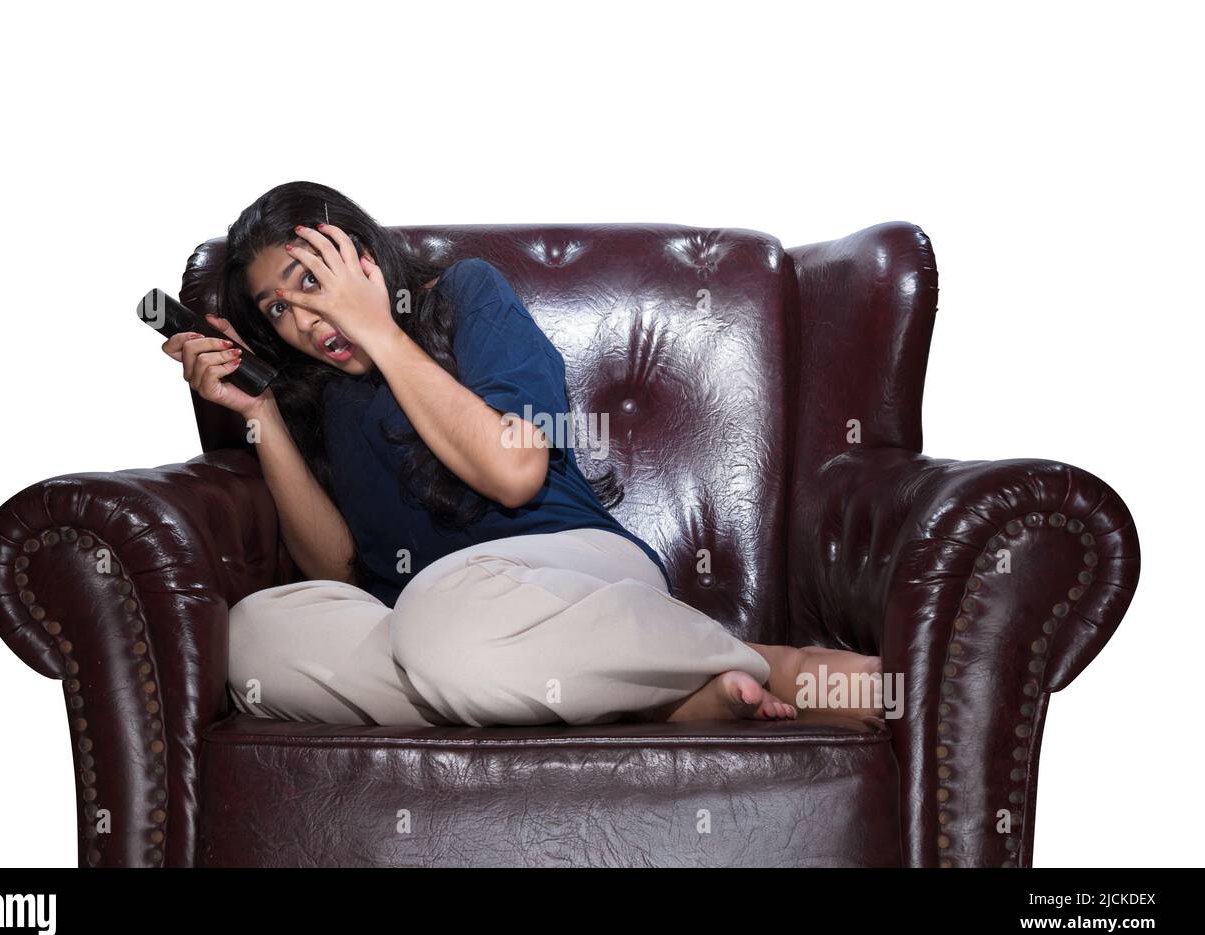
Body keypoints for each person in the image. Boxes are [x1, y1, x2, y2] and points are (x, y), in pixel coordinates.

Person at [162, 181, 882, 728]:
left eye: (312, 280)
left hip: (566, 570)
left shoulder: (466, 296)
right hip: (428, 626)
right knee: (253, 638)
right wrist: (263, 415)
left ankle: (757, 662)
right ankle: (652, 697)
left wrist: (380, 331)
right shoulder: (318, 399)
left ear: (359, 255)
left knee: (442, 623)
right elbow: (338, 571)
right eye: (279, 309)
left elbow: (515, 471)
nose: (308, 321)